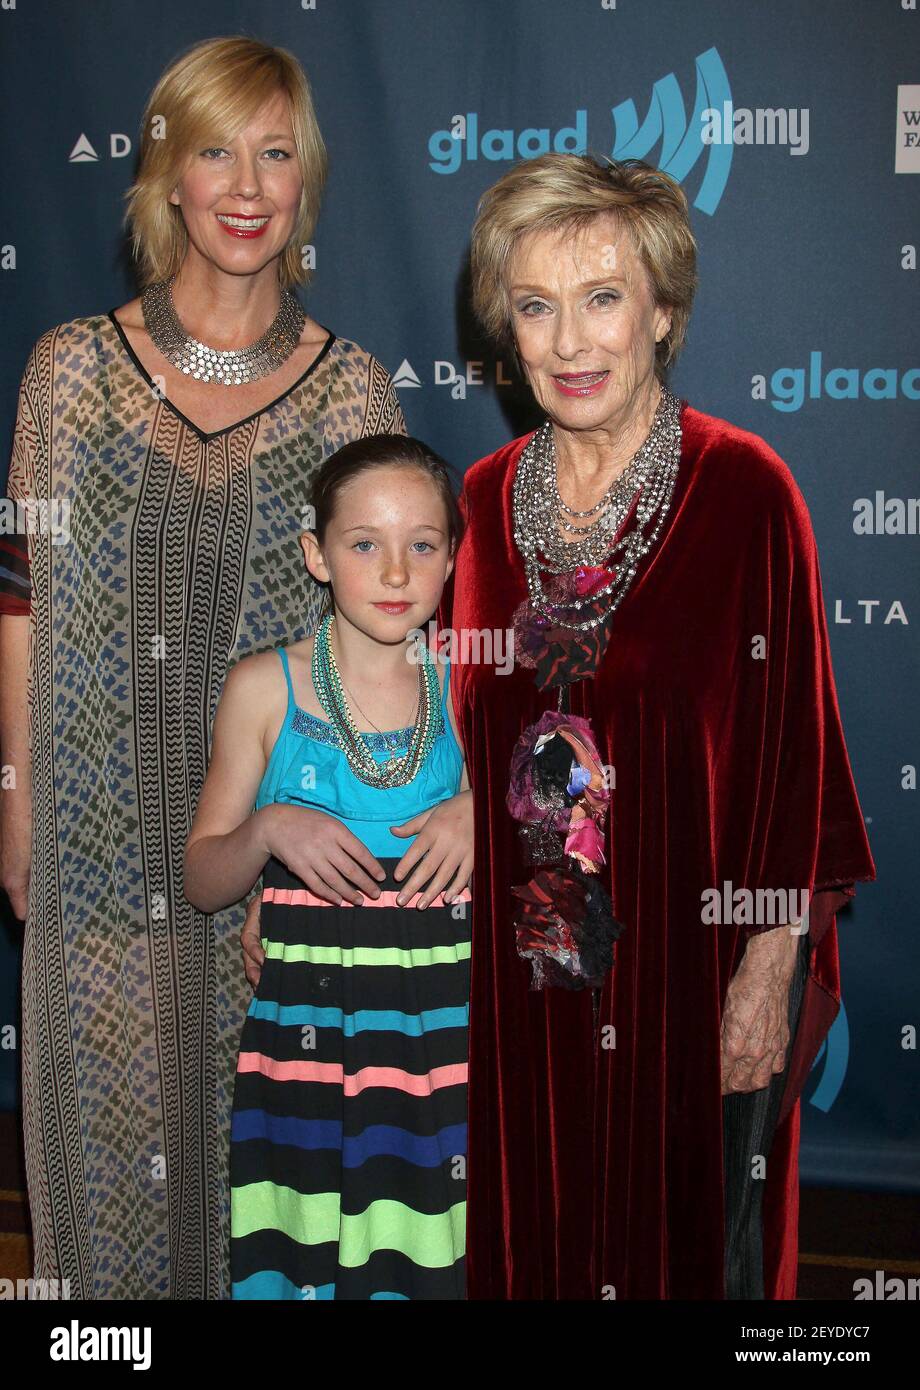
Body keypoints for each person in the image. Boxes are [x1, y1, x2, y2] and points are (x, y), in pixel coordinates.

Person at [0, 35, 464, 1300]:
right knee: (102, 1153)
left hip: (279, 849)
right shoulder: (68, 372)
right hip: (94, 837)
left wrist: (329, 845)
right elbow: (20, 602)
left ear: (305, 183)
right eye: (215, 150)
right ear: (166, 176)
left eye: (274, 153)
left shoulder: (349, 390)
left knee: (269, 1179)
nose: (246, 185)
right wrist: (15, 802)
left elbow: (394, 637)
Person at [437, 152, 876, 1299]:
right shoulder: (474, 507)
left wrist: (765, 966)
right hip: (513, 999)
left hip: (688, 980)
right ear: (504, 326)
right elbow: (436, 753)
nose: (569, 343)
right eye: (535, 306)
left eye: (601, 299)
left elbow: (798, 760)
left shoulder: (744, 491)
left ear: (661, 312)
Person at [184, 435, 472, 1300]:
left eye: (422, 544)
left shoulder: (475, 690)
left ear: (454, 557)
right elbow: (203, 878)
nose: (395, 571)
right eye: (363, 544)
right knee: (310, 1265)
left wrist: (482, 814)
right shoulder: (264, 690)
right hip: (305, 1066)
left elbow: (571, 823)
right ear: (315, 554)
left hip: (448, 1056)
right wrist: (271, 828)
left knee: (435, 1262)